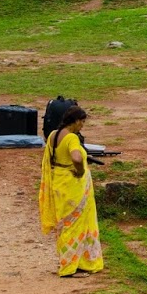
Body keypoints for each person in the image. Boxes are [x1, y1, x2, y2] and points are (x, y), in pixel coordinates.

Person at [38, 106, 104, 276]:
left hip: (59, 182)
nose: (82, 125)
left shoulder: (53, 135)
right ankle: (68, 268)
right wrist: (80, 170)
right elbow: (75, 157)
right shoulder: (72, 138)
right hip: (72, 185)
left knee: (65, 224)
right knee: (73, 225)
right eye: (82, 122)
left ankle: (76, 262)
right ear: (75, 121)